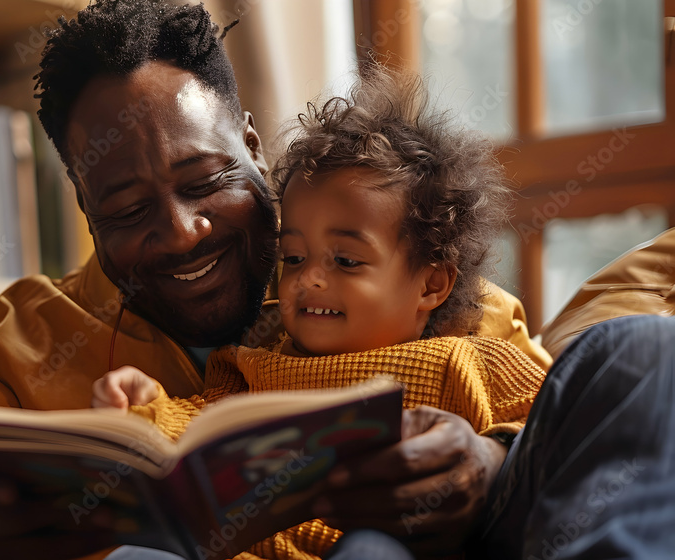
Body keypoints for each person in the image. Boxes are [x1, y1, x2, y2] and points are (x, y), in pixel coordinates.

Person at [0, 2, 551, 559]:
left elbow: (555, 413)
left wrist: (493, 462)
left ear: (250, 146)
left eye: (208, 182)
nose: (183, 232)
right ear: (85, 206)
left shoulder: (387, 285)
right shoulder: (9, 352)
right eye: (127, 208)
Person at [91, 65, 549, 559]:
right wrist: (146, 408)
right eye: (293, 258)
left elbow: (555, 430)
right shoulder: (255, 366)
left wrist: (495, 454)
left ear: (432, 283)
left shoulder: (473, 361)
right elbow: (197, 438)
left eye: (346, 261)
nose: (308, 278)